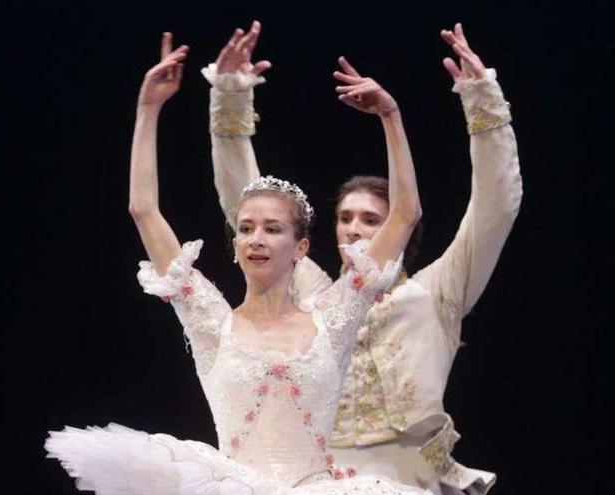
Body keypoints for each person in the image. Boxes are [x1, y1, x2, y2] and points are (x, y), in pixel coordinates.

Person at [46, 29, 427, 494]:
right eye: (245, 228)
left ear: (301, 247)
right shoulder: (210, 320)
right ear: (234, 245)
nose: (255, 239)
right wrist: (149, 108)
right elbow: (143, 209)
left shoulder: (334, 318)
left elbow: (406, 214)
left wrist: (391, 115)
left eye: (272, 229)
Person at [205, 21, 521, 494]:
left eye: (372, 219)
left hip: (409, 479)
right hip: (319, 481)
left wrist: (483, 100)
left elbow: (495, 208)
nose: (355, 227)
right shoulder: (312, 294)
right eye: (345, 217)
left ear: (397, 227)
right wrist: (229, 98)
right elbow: (248, 208)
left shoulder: (438, 290)